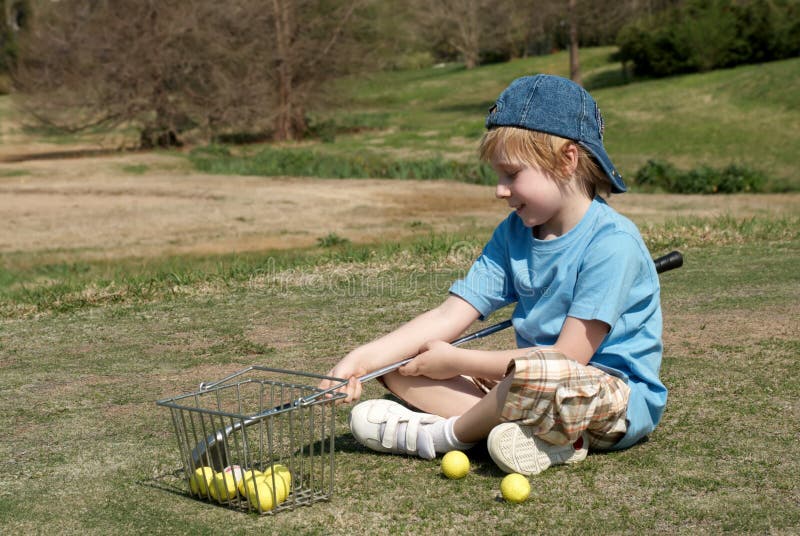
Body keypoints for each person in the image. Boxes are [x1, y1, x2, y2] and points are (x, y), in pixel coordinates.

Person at [320, 74, 665, 476]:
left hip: (605, 395)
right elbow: (449, 316)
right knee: (400, 359)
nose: (500, 190)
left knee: (542, 371)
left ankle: (444, 436)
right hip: (521, 387)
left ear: (568, 160)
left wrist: (459, 360)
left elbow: (569, 357)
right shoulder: (512, 233)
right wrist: (362, 360)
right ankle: (532, 438)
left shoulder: (613, 243)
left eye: (512, 174)